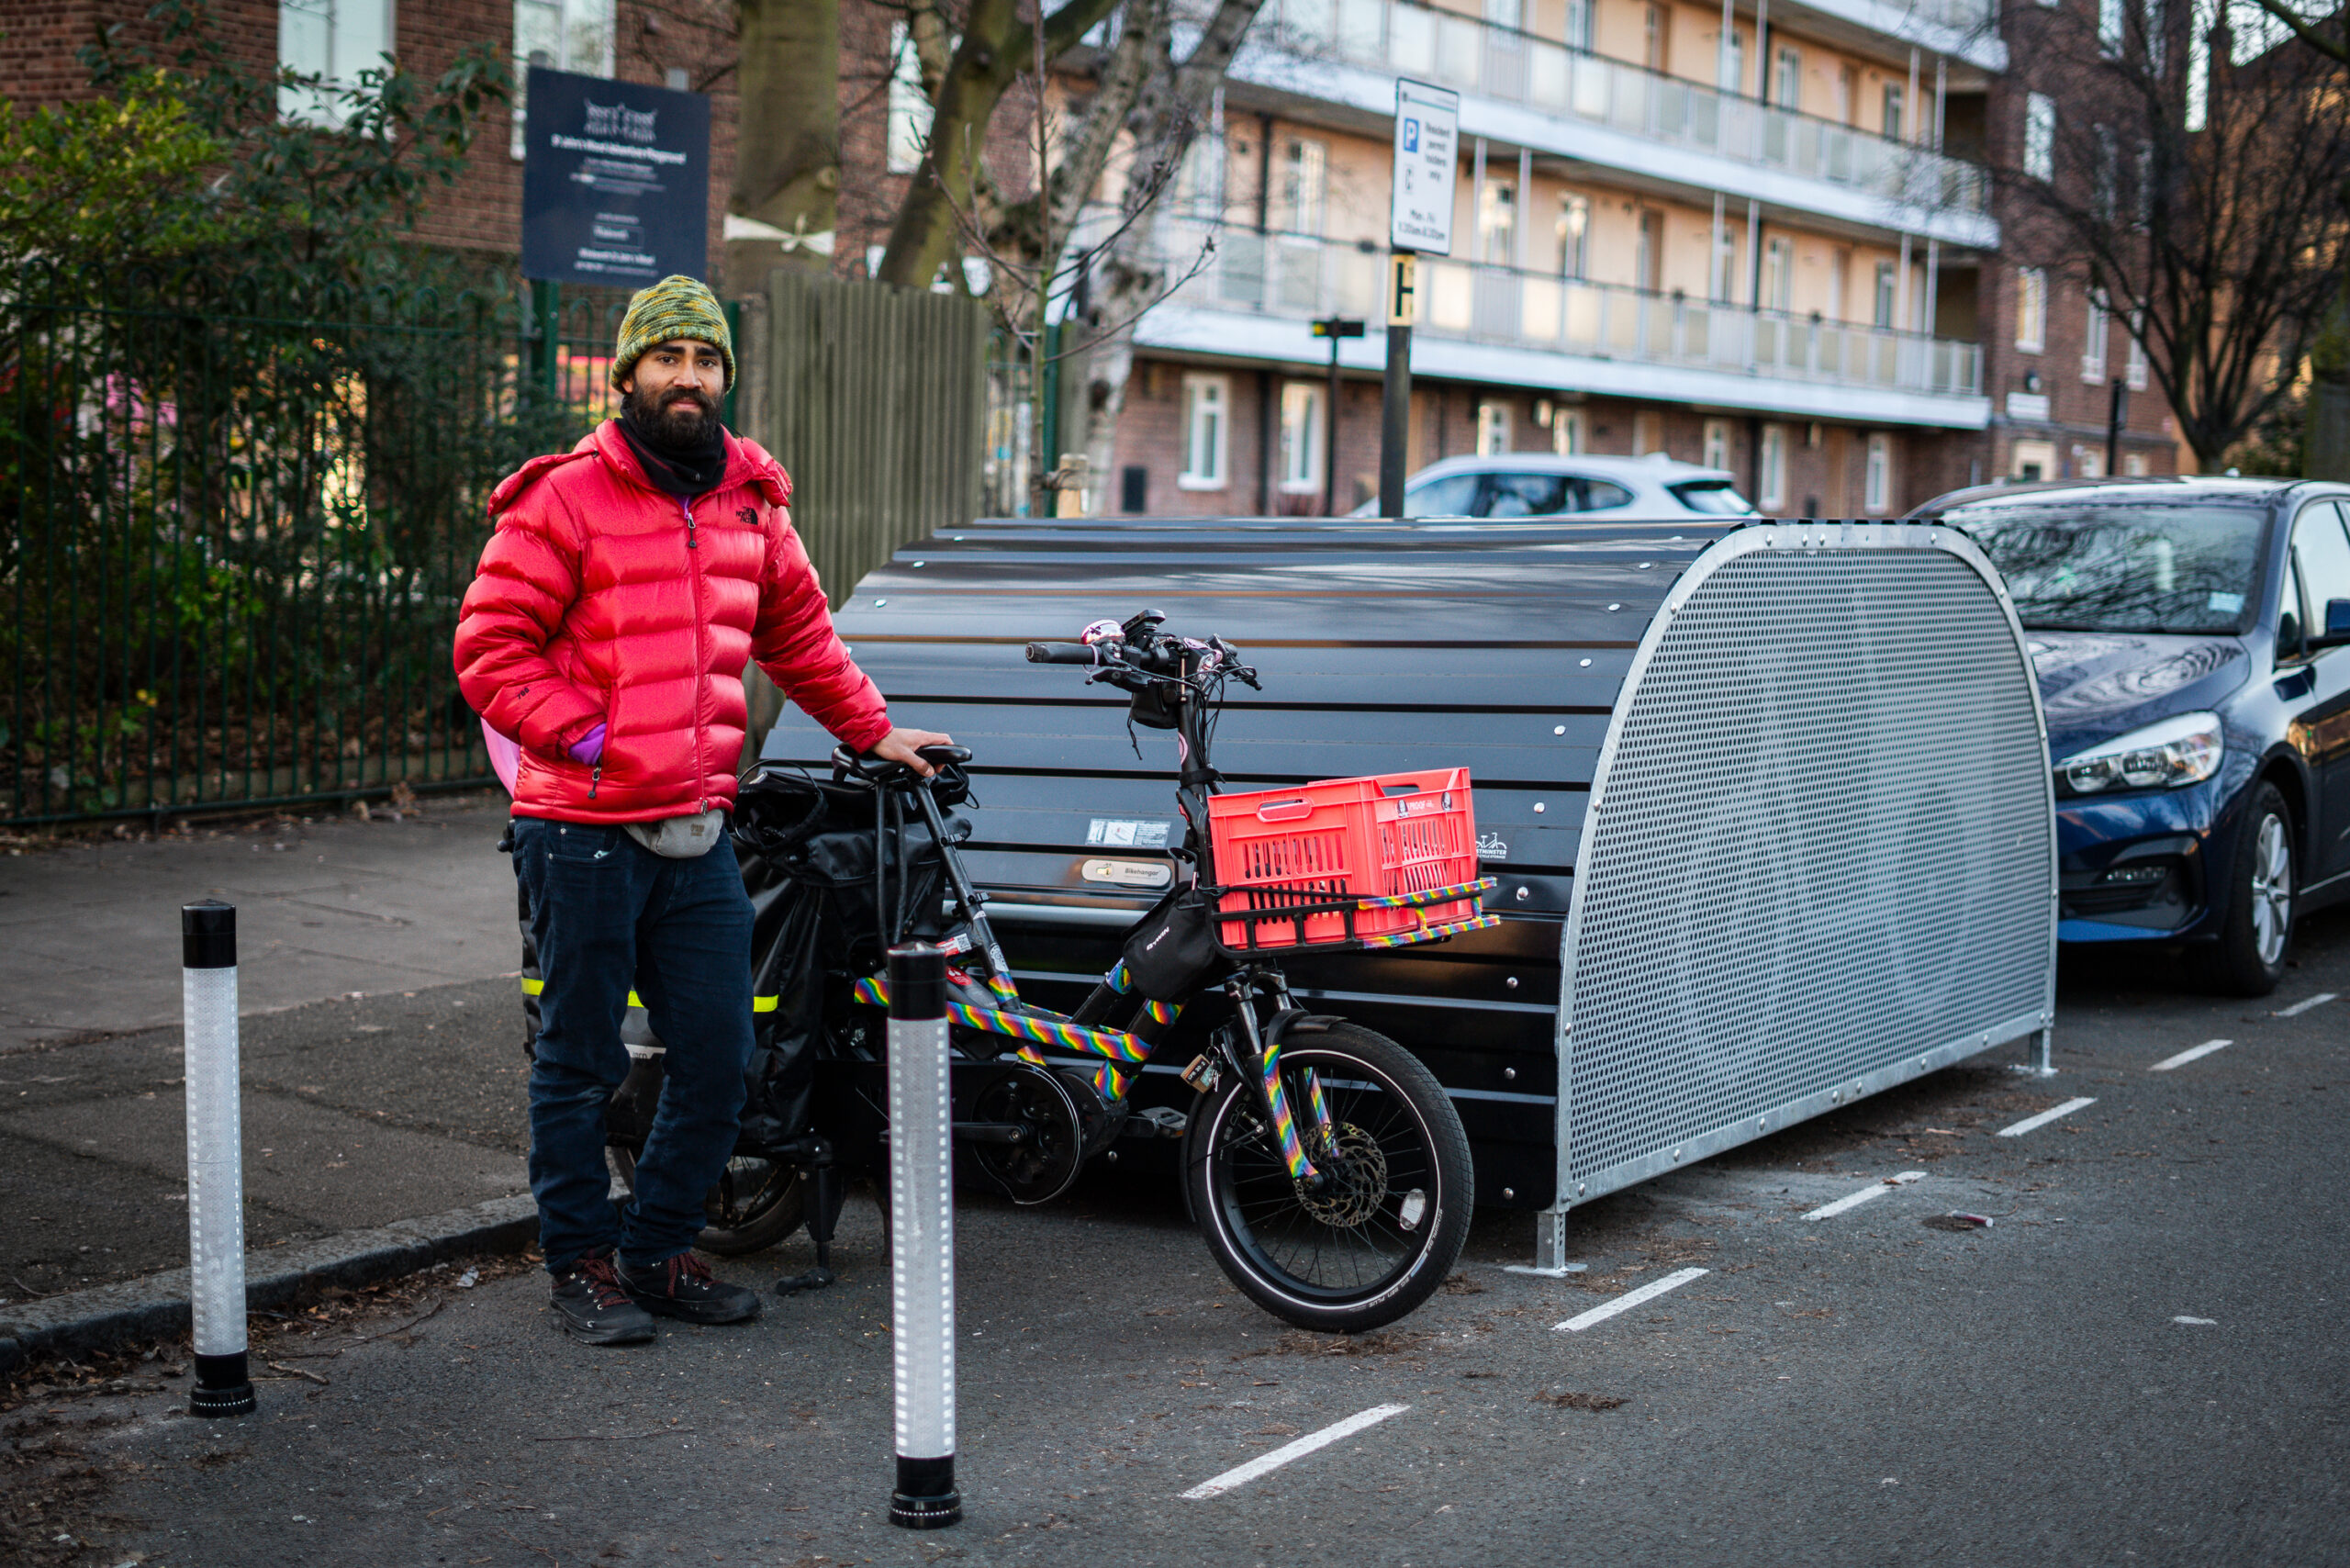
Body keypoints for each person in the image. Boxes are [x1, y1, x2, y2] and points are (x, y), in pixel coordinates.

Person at [454, 275, 948, 1345]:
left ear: (725, 376)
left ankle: (659, 1248)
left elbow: (800, 636)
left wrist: (873, 730)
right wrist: (593, 739)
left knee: (724, 1058)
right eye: (668, 357)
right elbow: (491, 650)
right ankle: (582, 1264)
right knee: (579, 1062)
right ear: (627, 373)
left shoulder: (748, 500)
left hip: (697, 829)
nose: (689, 376)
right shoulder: (563, 498)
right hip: (580, 830)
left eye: (707, 359)